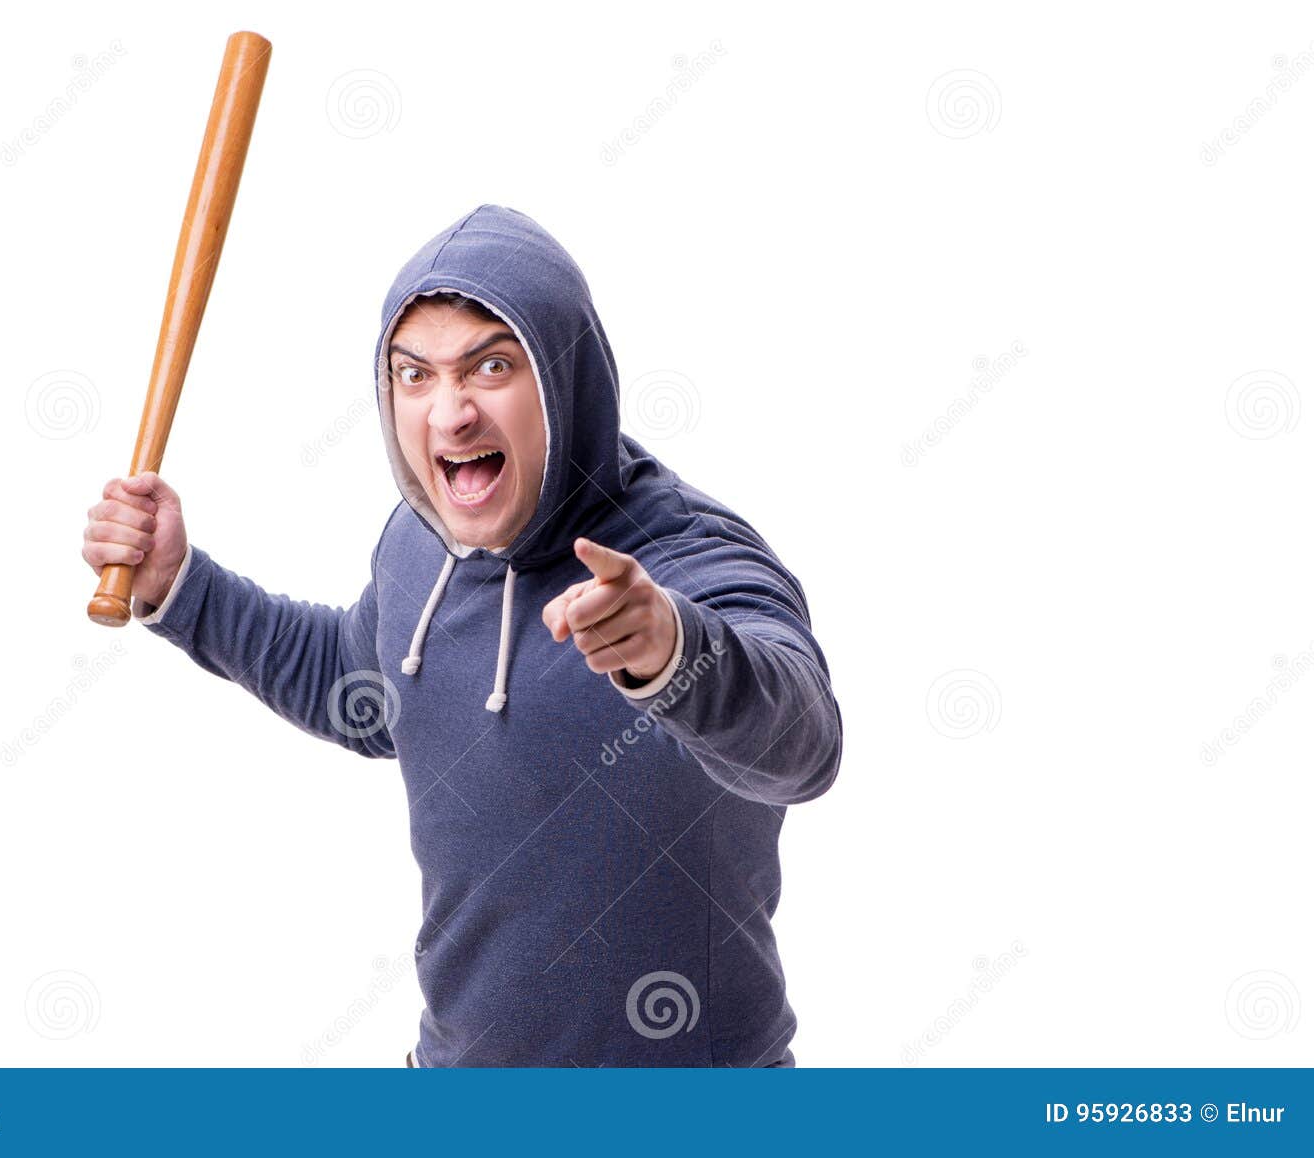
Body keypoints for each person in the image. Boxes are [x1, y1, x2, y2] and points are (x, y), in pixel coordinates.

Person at [80, 204, 843, 1067]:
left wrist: (672, 654)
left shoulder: (684, 555)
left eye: (490, 367)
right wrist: (184, 589)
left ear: (566, 378)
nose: (450, 415)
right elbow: (365, 689)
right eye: (415, 376)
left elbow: (802, 746)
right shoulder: (419, 546)